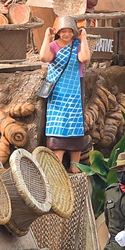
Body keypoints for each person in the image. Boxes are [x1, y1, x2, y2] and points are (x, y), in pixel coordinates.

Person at [38, 16, 91, 167]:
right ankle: (57, 164)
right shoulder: (54, 45)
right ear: (58, 32)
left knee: (75, 123)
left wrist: (84, 38)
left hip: (74, 91)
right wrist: (47, 37)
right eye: (63, 31)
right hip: (57, 92)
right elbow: (44, 57)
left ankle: (75, 165)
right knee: (57, 124)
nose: (66, 34)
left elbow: (85, 58)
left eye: (69, 31)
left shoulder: (77, 45)